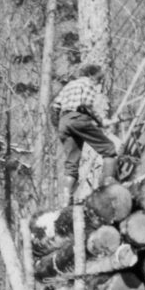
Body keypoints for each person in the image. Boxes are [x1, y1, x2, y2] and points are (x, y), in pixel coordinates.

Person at [51, 63, 118, 205]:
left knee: (71, 163)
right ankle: (107, 190)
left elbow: (55, 106)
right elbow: (86, 106)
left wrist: (59, 124)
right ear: (92, 75)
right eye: (99, 79)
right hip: (78, 119)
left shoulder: (69, 85)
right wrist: (101, 121)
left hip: (64, 122)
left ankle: (65, 201)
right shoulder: (88, 84)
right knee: (109, 148)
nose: (98, 82)